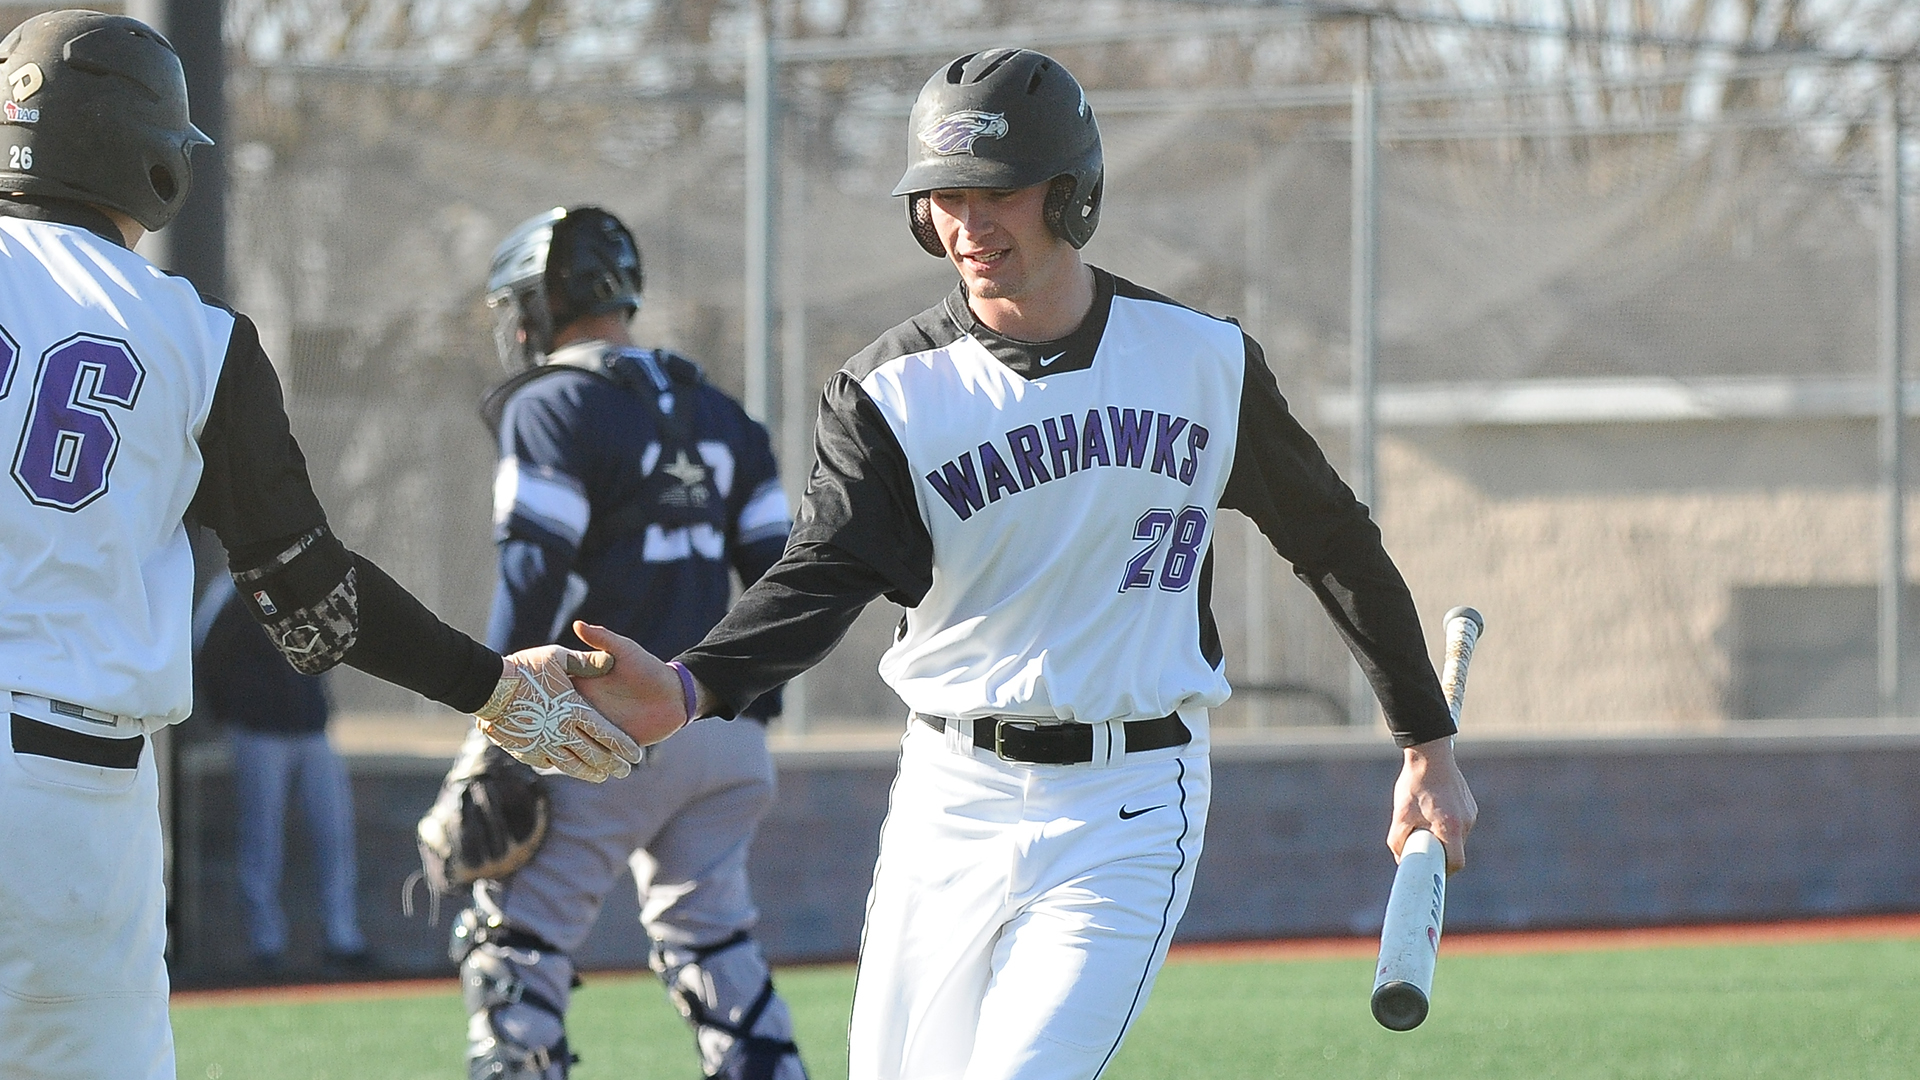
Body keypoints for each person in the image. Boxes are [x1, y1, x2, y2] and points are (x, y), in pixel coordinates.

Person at [493, 48, 1478, 1080]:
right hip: (948, 798)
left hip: (1128, 803)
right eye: (943, 197)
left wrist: (1427, 743)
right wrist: (694, 684)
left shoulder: (1204, 361)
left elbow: (1335, 545)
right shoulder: (889, 392)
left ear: (1072, 194)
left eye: (996, 191)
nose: (967, 224)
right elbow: (822, 572)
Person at [0, 12, 638, 1080]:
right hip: (68, 797)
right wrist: (489, 687)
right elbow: (310, 601)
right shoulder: (191, 336)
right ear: (150, 154)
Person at [430, 206, 808, 1080]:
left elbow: (534, 576)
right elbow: (784, 580)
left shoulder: (554, 403)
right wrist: (751, 704)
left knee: (512, 949)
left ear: (535, 305)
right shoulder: (722, 412)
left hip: (601, 729)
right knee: (715, 949)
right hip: (722, 733)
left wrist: (492, 726)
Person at [193, 575, 371, 974]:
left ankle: (342, 937)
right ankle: (265, 943)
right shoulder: (230, 588)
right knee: (262, 836)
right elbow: (203, 647)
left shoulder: (306, 578)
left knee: (334, 832)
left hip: (310, 727)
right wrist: (229, 711)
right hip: (258, 731)